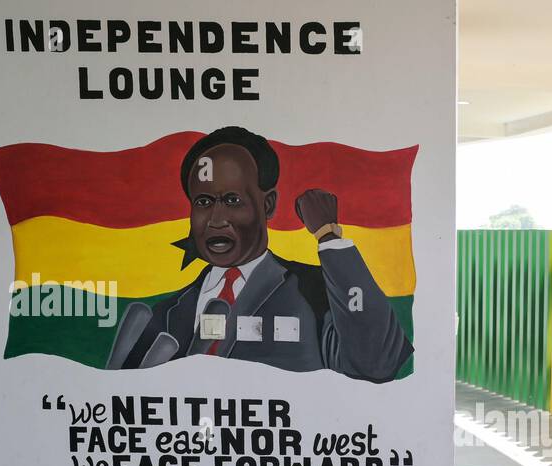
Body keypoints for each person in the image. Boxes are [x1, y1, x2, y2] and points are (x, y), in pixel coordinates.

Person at [118, 125, 413, 381]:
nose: (216, 219)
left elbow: (378, 363)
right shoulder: (164, 315)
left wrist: (328, 237)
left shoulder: (317, 292)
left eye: (232, 200)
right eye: (204, 201)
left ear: (268, 205)